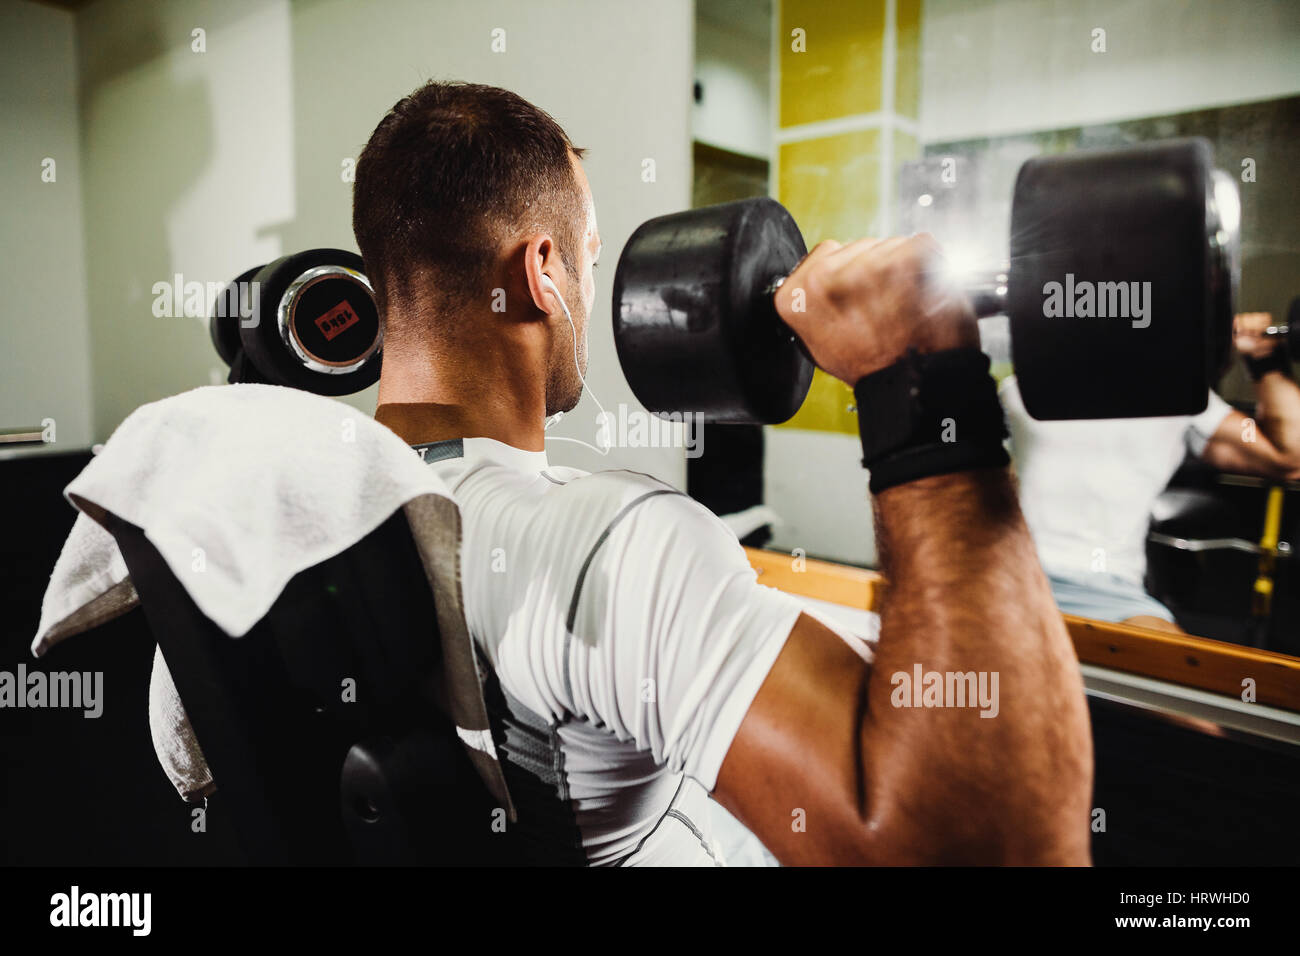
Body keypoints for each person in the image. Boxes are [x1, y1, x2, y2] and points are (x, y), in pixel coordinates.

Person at [353, 81, 1091, 865]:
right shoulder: (607, 544)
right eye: (588, 259)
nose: (588, 286)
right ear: (543, 271)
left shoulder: (310, 507)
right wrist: (919, 377)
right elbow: (1000, 844)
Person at [1001, 312, 1300, 634]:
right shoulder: (1019, 387)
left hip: (1111, 591)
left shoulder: (1179, 393)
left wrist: (1263, 357)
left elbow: (1288, 458)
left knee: (1188, 677)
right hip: (1006, 575)